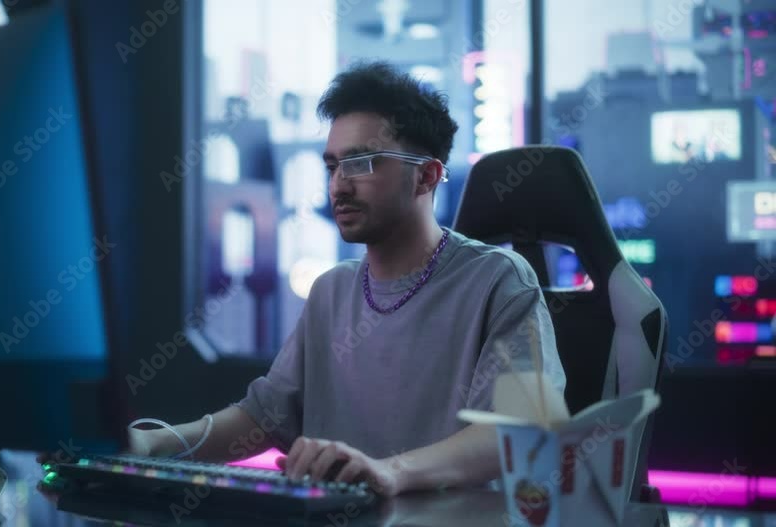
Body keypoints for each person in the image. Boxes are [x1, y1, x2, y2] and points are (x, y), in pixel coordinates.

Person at [122, 62, 564, 496]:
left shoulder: (496, 280)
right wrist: (154, 443)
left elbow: (521, 432)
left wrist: (389, 472)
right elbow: (263, 418)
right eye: (332, 166)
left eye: (361, 163)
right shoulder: (331, 290)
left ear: (426, 176)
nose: (338, 186)